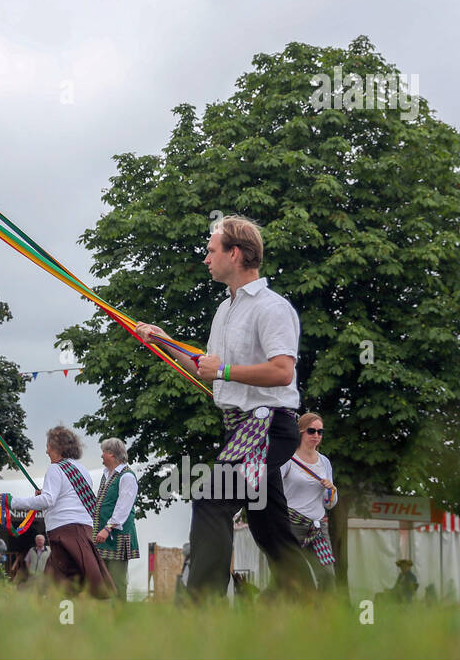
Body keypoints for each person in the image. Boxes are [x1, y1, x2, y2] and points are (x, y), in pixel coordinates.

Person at [136, 215, 313, 599]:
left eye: (211, 251)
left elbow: (283, 372)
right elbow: (208, 372)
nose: (206, 259)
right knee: (270, 529)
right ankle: (314, 605)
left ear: (235, 254)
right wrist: (164, 341)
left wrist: (226, 369)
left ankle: (202, 609)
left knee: (210, 498)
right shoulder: (224, 311)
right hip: (240, 429)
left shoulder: (273, 308)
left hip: (267, 426)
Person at [8, 426, 116, 598]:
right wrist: (46, 493)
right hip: (83, 532)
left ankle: (71, 618)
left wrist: (12, 502)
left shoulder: (55, 469)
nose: (46, 450)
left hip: (65, 534)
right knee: (66, 581)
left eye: (49, 446)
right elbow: (66, 497)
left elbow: (47, 500)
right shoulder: (81, 470)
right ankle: (70, 619)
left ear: (57, 447)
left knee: (64, 584)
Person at [282, 413, 337, 590]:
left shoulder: (324, 462)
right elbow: (275, 491)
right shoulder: (288, 459)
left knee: (328, 575)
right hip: (292, 525)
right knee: (290, 575)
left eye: (320, 432)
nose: (316, 436)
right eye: (311, 431)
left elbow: (329, 503)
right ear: (301, 432)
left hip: (318, 526)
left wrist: (331, 490)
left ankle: (325, 615)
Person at [93, 438, 140, 602]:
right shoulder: (107, 475)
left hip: (117, 536)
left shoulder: (127, 476)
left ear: (112, 454)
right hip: (104, 536)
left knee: (118, 581)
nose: (101, 456)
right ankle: (105, 617)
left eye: (104, 452)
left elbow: (123, 507)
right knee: (103, 581)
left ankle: (120, 617)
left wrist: (107, 528)